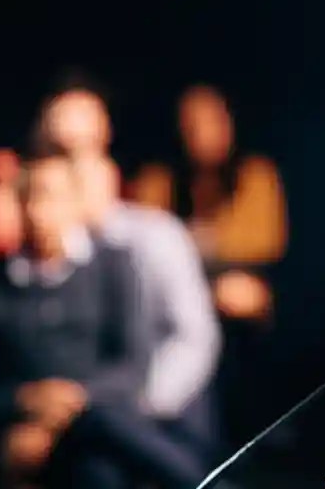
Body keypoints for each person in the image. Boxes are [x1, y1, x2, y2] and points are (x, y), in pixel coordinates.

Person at [0, 151, 205, 489]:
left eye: (51, 195)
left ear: (75, 202)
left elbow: (132, 366)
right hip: (21, 427)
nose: (39, 208)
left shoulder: (115, 266)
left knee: (99, 455)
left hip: (101, 418)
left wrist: (73, 399)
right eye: (28, 195)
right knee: (93, 466)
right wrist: (30, 400)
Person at [70, 154, 224, 466]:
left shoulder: (156, 234)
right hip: (95, 398)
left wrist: (141, 404)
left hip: (164, 396)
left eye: (79, 185)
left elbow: (194, 336)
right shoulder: (62, 250)